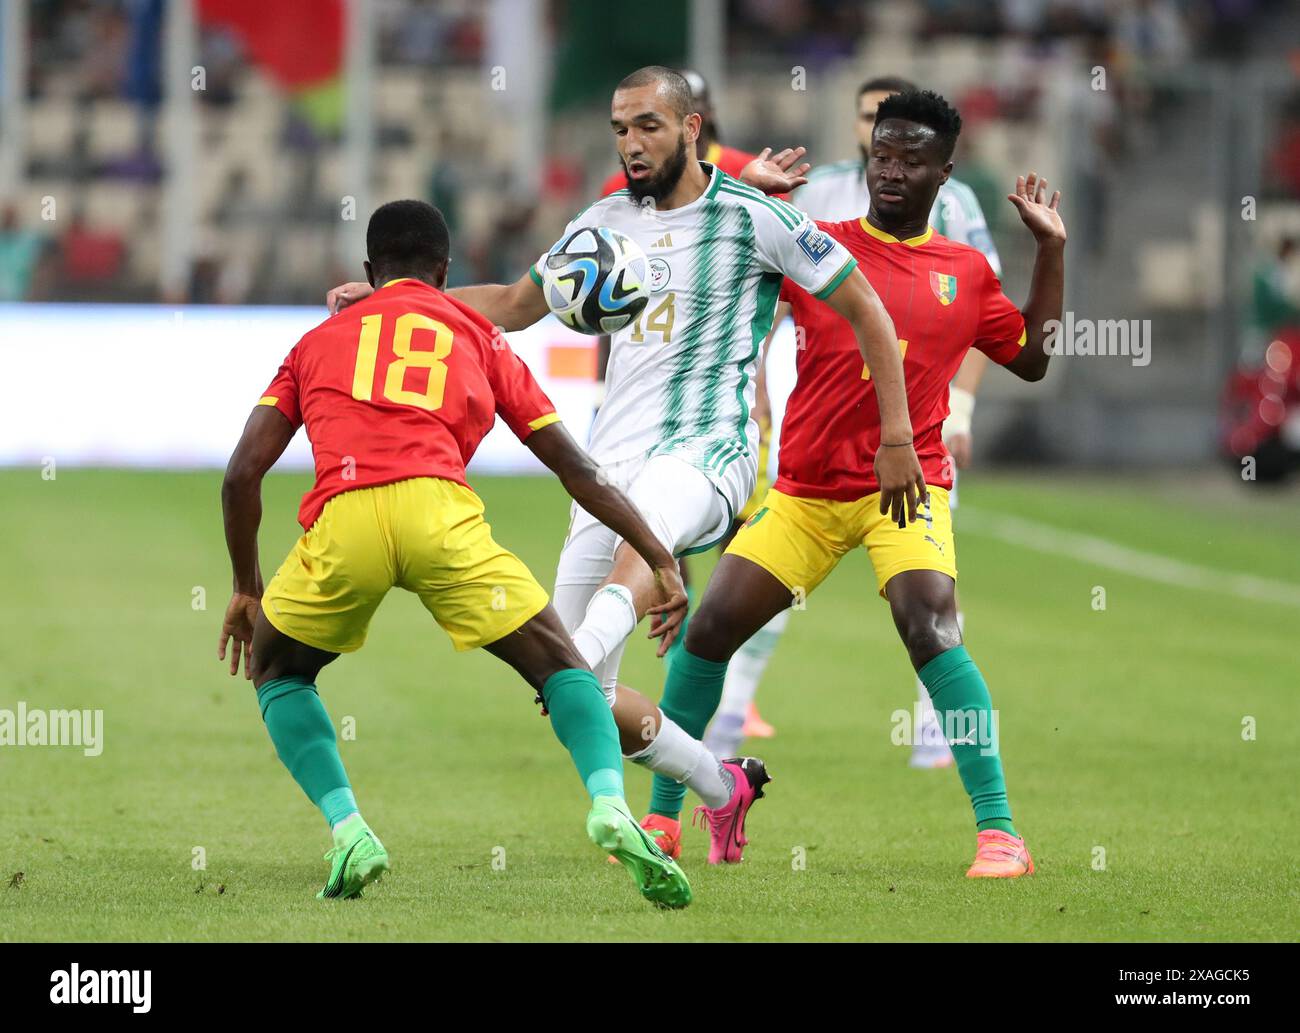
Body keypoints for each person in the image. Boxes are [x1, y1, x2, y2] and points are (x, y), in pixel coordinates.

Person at [326, 66, 924, 865]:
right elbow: (512, 304)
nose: (631, 143)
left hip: (709, 451)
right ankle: (723, 783)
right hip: (608, 465)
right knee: (578, 693)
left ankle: (654, 581)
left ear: (690, 126)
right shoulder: (602, 223)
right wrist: (389, 300)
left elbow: (868, 312)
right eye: (619, 129)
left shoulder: (757, 220)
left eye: (647, 125)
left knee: (588, 630)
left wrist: (897, 438)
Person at [219, 199, 694, 907]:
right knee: (562, 665)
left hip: (345, 517)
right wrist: (659, 555)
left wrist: (246, 586)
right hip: (440, 513)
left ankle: (350, 829)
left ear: (366, 272)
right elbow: (576, 467)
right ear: (445, 271)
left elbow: (241, 474)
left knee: (278, 671)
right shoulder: (477, 333)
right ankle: (609, 805)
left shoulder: (318, 341)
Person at [647, 90, 1066, 878]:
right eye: (882, 155)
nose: (892, 171)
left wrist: (1051, 252)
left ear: (945, 172)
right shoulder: (816, 246)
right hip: (804, 494)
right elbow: (704, 260)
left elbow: (1034, 359)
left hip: (905, 492)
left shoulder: (966, 271)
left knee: (929, 621)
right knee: (708, 632)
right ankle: (662, 820)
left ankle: (1001, 834)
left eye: (912, 160)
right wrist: (744, 202)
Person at [704, 74, 1004, 769]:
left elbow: (986, 305)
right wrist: (753, 382)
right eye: (876, 128)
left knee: (929, 598)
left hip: (920, 430)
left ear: (939, 163)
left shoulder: (954, 209)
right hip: (821, 420)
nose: (891, 157)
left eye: (906, 146)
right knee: (746, 593)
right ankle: (732, 708)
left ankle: (936, 725)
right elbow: (766, 292)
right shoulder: (815, 196)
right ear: (862, 130)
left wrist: (961, 405)